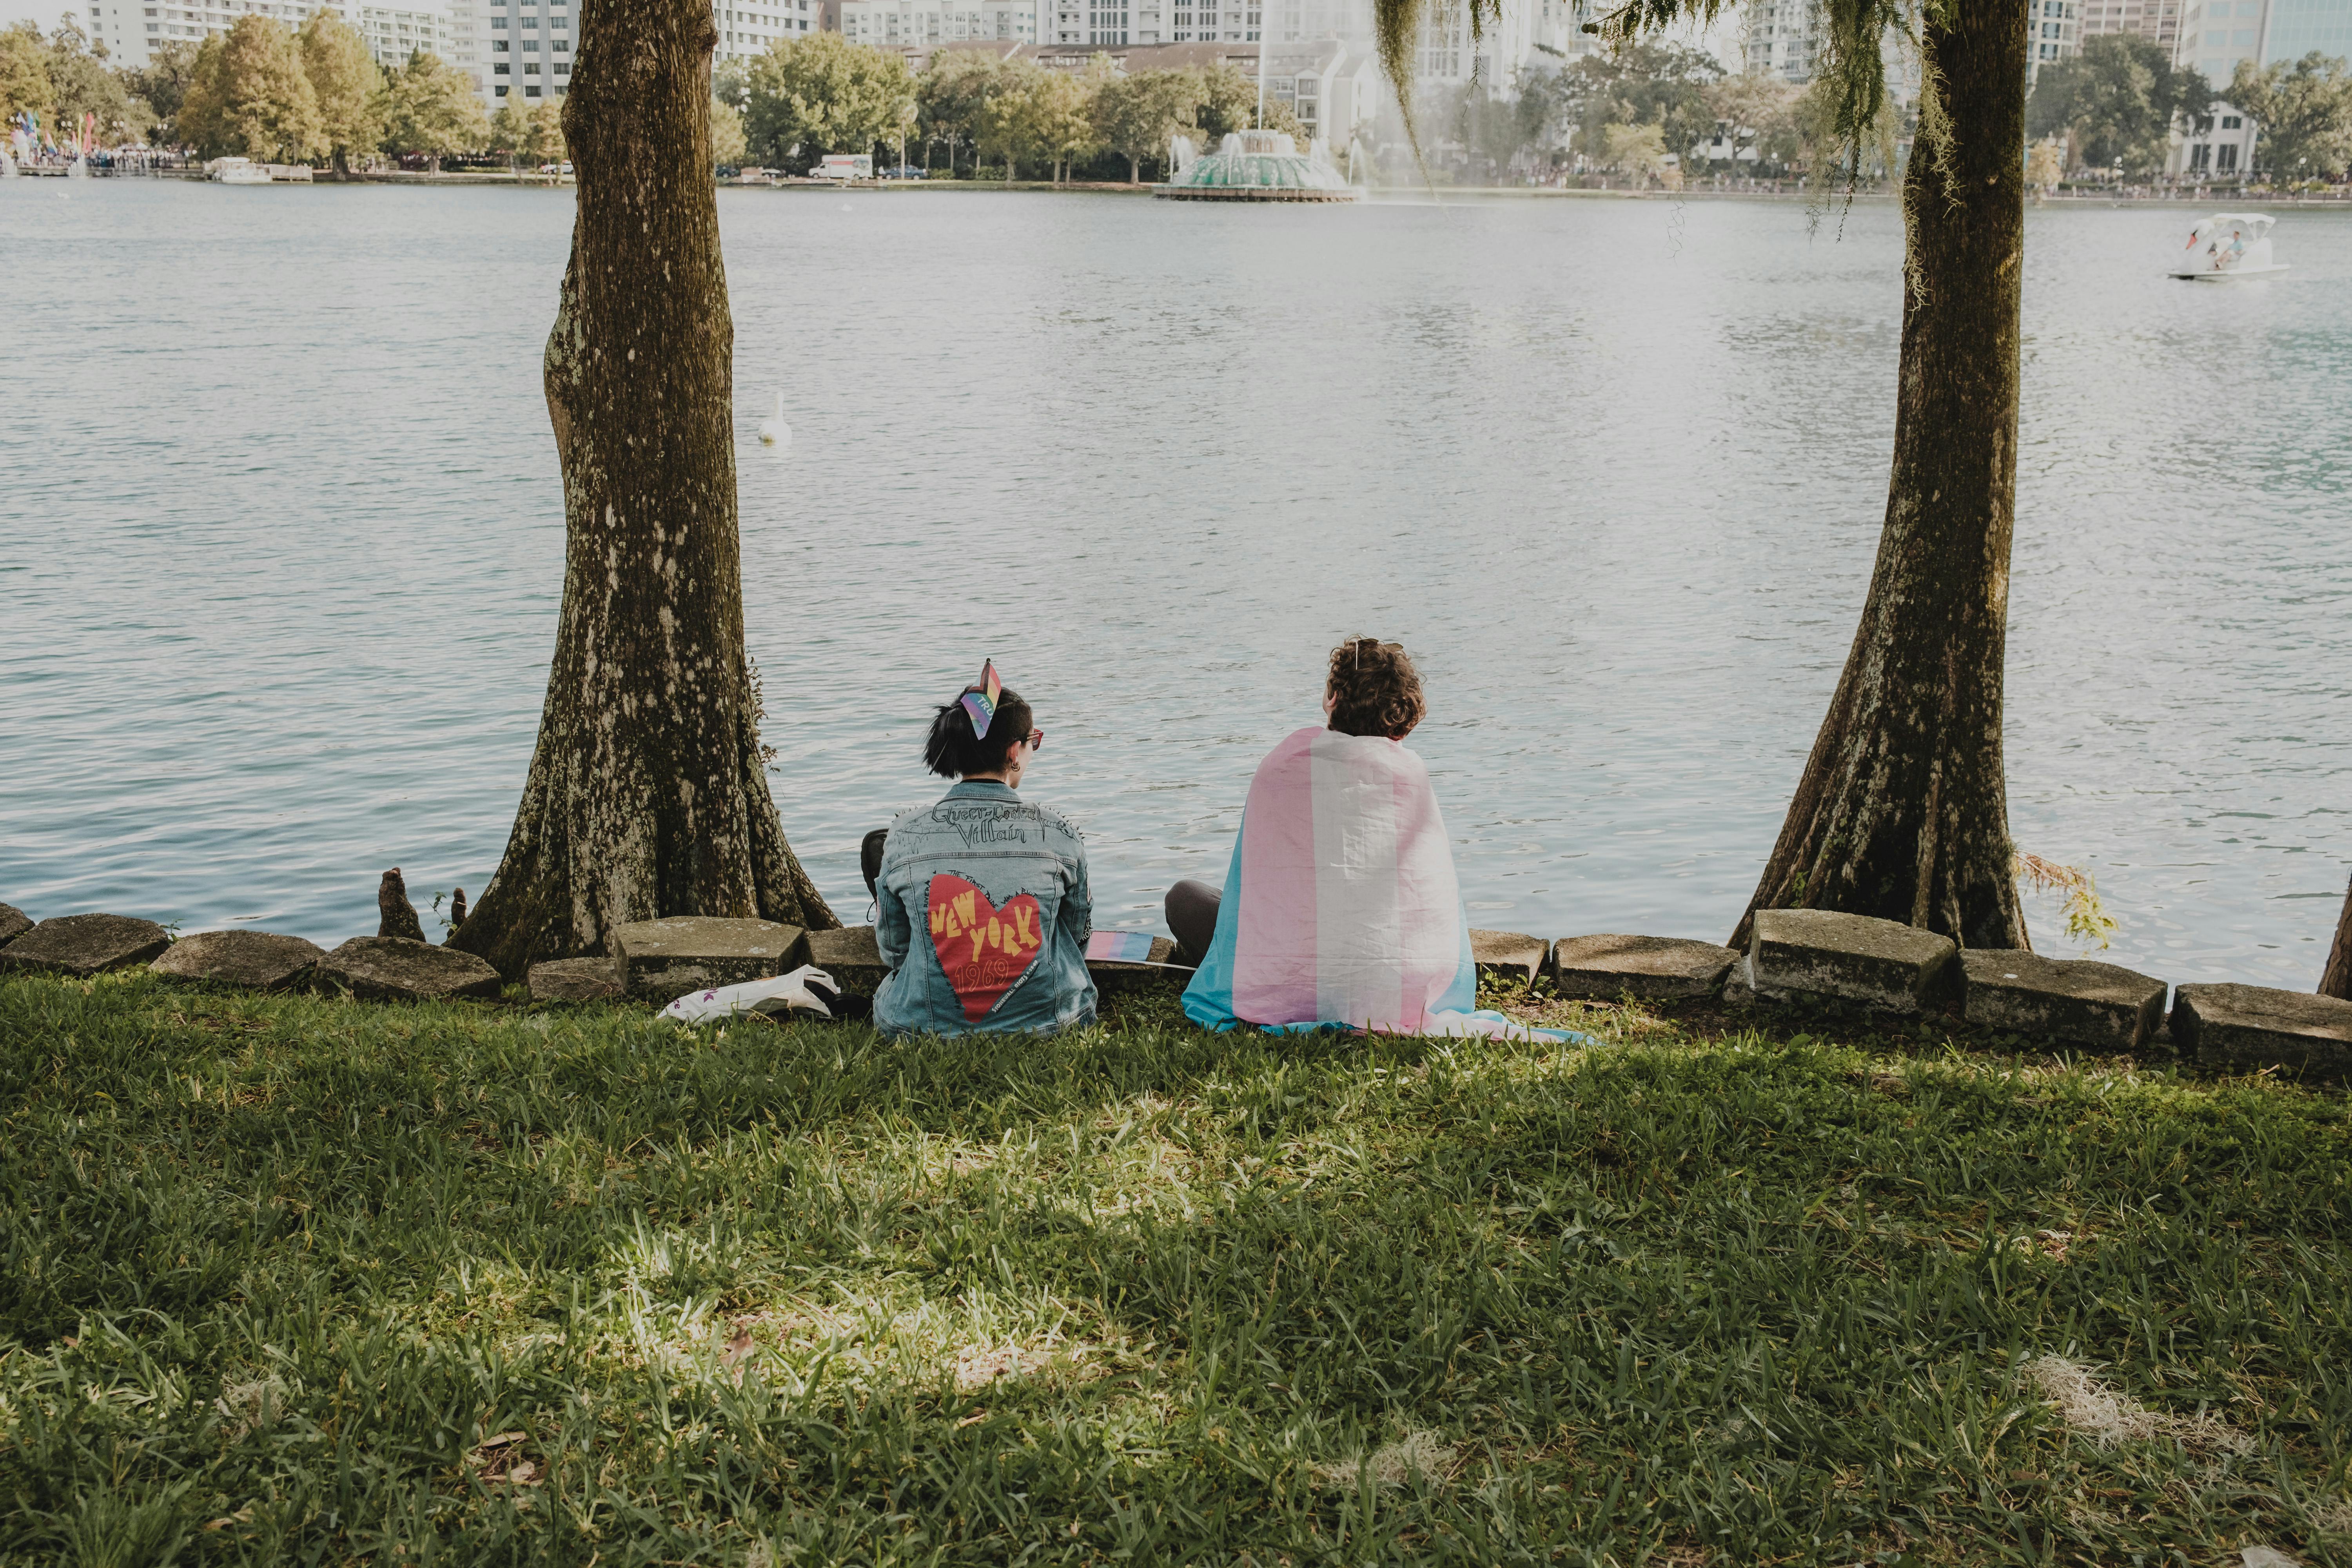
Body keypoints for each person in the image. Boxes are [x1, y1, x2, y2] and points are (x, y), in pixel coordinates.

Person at [1171, 637, 1486, 1035]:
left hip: (1296, 976)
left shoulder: (1284, 763)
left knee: (1184, 899)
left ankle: (1289, 988)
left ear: (1333, 697)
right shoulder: (1410, 773)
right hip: (1401, 988)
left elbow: (1249, 889)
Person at [872, 663, 1096, 1038]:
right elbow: (1077, 938)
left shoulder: (903, 833)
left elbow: (895, 951)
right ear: (1015, 752)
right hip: (1051, 1022)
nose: (1032, 750)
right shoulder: (1059, 833)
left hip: (920, 1027)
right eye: (1033, 741)